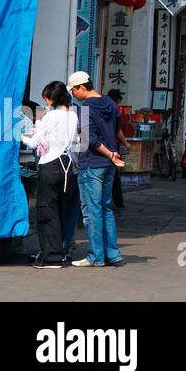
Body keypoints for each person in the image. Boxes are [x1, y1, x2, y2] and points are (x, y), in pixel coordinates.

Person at [68, 72, 126, 267]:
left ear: (82, 87)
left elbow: (90, 140)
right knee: (106, 209)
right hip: (109, 165)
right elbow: (117, 126)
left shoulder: (86, 108)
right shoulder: (109, 102)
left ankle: (96, 256)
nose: (73, 94)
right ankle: (113, 254)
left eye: (74, 90)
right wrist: (115, 150)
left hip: (93, 163)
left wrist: (109, 153)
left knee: (92, 211)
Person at [19, 82, 79, 269]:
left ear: (52, 98)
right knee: (61, 211)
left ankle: (51, 257)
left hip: (50, 165)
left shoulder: (50, 116)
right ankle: (59, 253)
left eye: (47, 98)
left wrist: (20, 136)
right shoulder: (73, 116)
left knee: (46, 212)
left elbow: (34, 143)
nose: (46, 101)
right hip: (67, 167)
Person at [106, 88, 127, 209]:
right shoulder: (114, 110)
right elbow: (117, 130)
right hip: (113, 146)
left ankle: (113, 201)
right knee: (114, 175)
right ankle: (117, 201)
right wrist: (125, 142)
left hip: (103, 148)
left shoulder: (101, 108)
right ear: (117, 100)